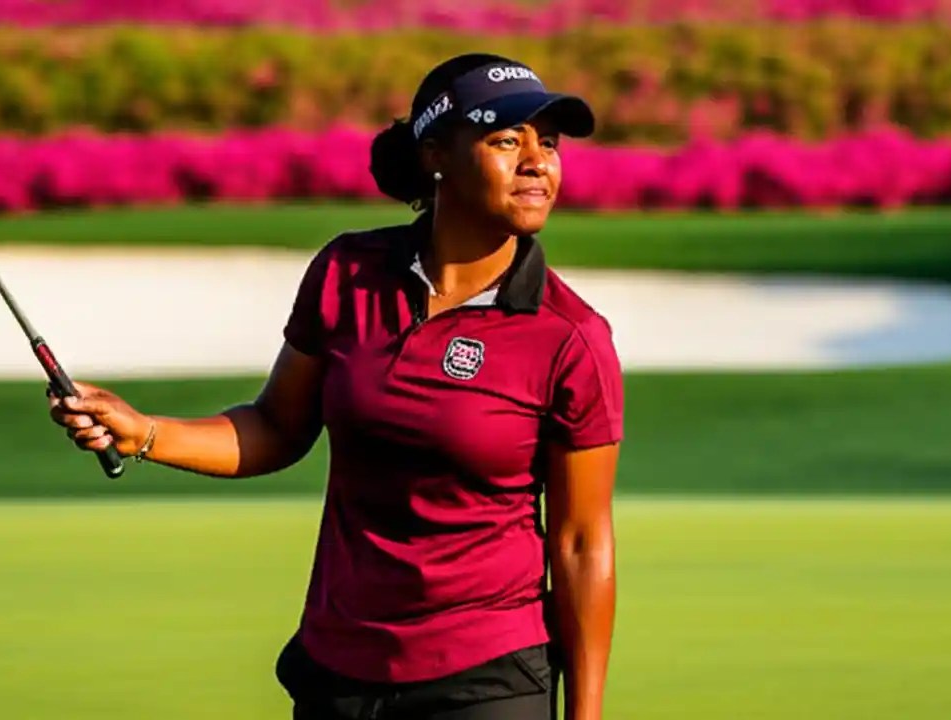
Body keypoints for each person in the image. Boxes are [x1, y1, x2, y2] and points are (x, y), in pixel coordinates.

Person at [48, 52, 624, 720]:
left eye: (548, 144)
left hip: (486, 678)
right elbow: (276, 427)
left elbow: (582, 543)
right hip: (338, 674)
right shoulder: (349, 274)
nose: (538, 162)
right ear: (435, 155)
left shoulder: (570, 336)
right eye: (506, 140)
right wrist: (143, 430)